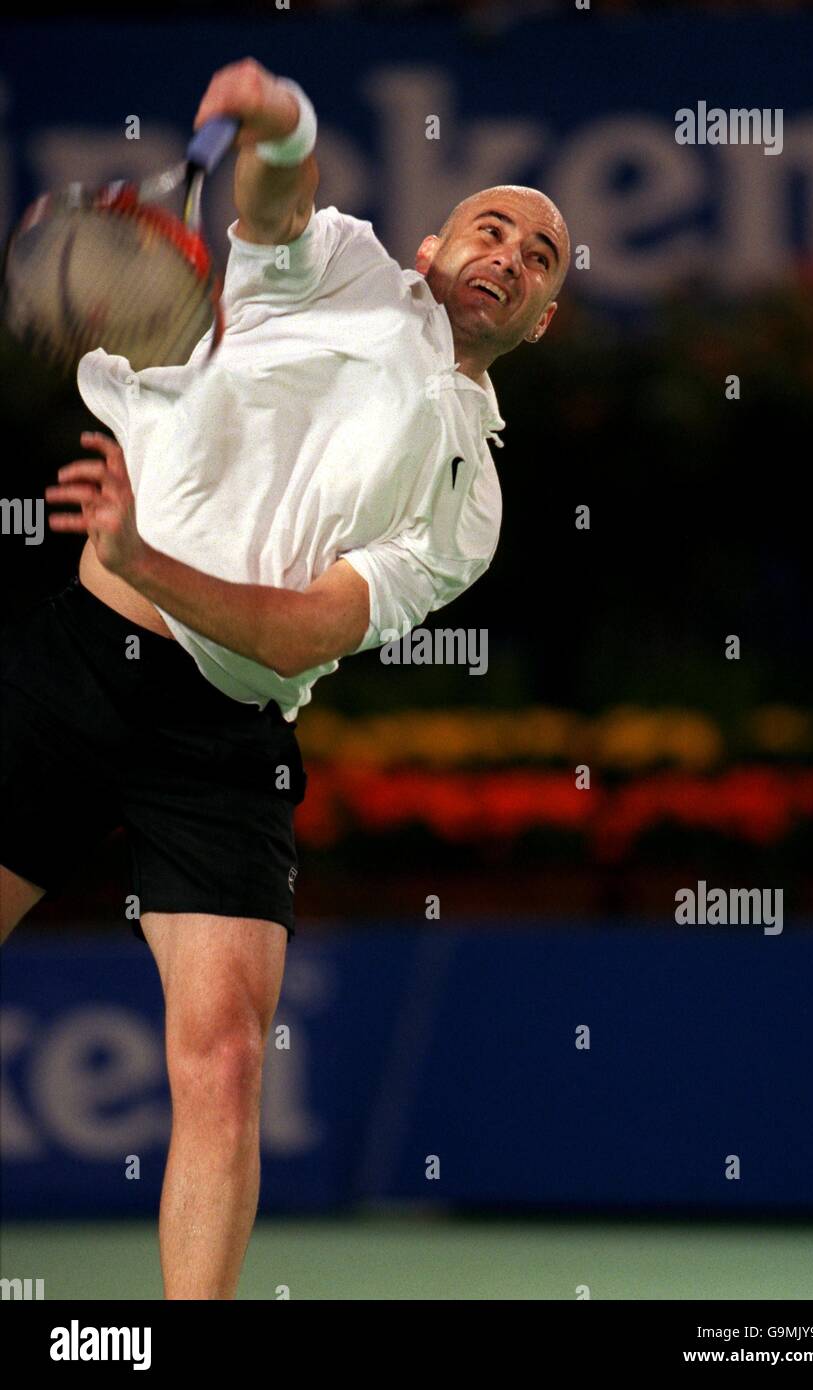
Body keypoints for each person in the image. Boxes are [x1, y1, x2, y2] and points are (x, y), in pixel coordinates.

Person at [0, 57, 570, 1298]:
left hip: (226, 731)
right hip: (82, 665)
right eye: (492, 225)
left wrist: (148, 548)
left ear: (543, 318)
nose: (511, 254)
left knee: (223, 1066)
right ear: (431, 245)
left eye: (540, 258)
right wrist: (279, 112)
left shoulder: (469, 504)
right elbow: (274, 192)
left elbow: (301, 634)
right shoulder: (343, 266)